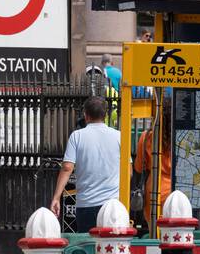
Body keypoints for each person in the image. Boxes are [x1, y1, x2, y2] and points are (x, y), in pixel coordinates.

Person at [51, 96, 121, 233]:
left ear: (85, 115)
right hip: (112, 205)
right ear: (105, 115)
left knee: (88, 247)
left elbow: (67, 168)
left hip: (86, 203)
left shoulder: (77, 136)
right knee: (110, 248)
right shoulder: (119, 136)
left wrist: (56, 197)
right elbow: (128, 171)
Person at [134, 101, 172, 225]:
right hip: (176, 192)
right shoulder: (181, 139)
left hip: (154, 190)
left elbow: (139, 167)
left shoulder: (146, 137)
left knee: (155, 234)